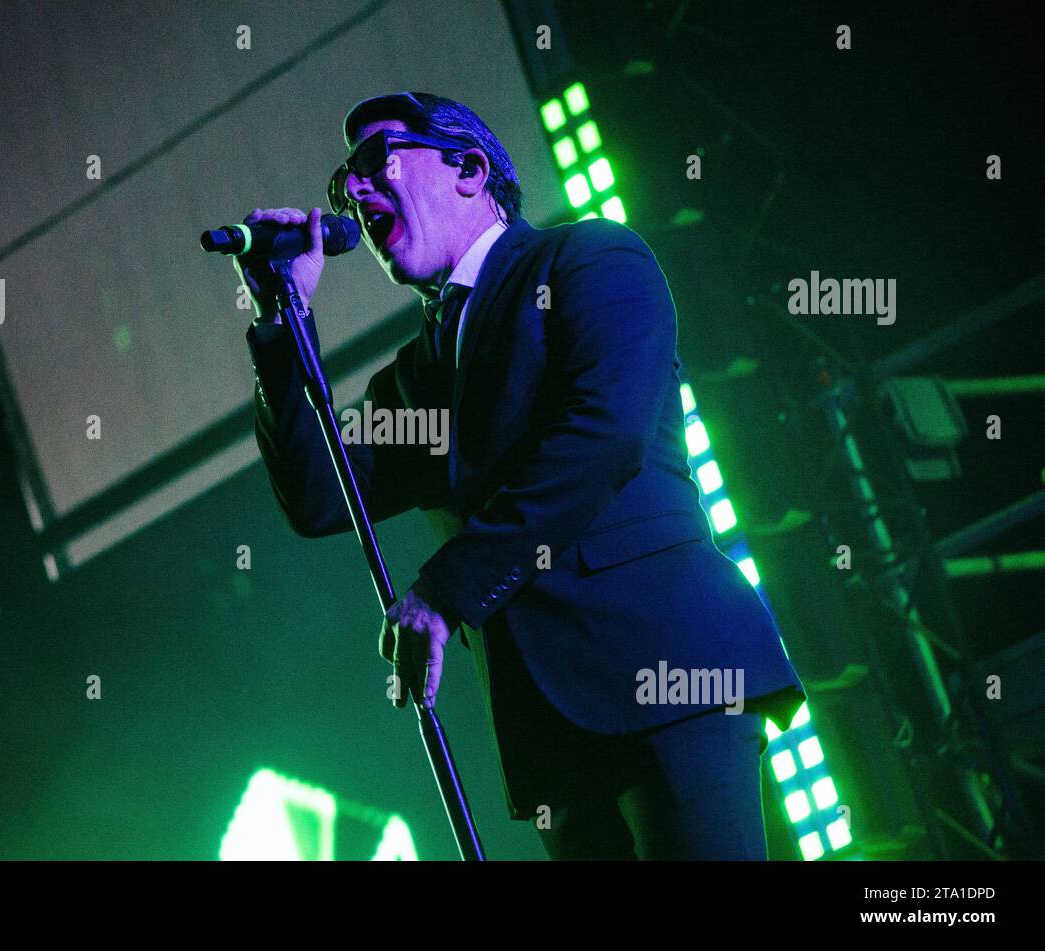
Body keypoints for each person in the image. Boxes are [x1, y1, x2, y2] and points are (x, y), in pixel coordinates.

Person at [236, 91, 805, 859]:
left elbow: (603, 438)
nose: (358, 192)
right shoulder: (415, 381)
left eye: (377, 162)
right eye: (345, 186)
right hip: (551, 738)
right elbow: (316, 495)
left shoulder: (590, 259)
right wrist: (284, 322)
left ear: (470, 168)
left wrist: (442, 590)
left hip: (670, 675)